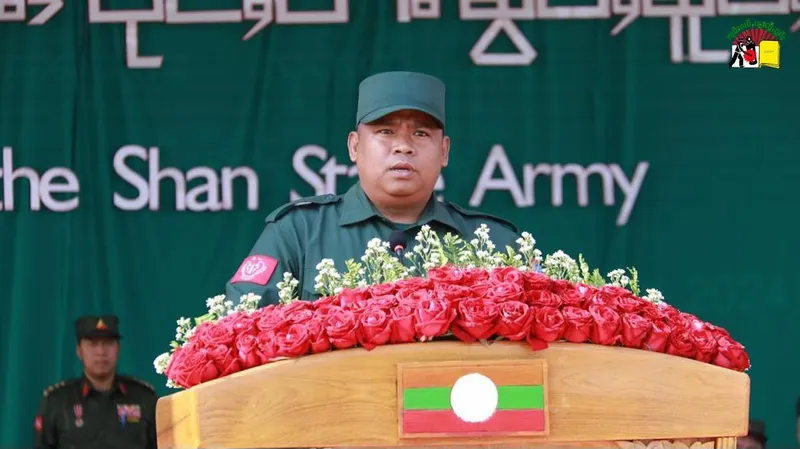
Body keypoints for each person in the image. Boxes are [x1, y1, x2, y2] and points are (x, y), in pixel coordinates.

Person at [227, 70, 523, 308]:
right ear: (354, 146)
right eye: (385, 132)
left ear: (444, 151)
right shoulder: (298, 232)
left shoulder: (494, 242)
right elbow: (238, 335)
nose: (403, 146)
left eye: (420, 133)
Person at [33, 315, 158, 449]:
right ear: (79, 351)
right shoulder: (57, 401)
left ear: (118, 349)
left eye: (108, 343)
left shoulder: (144, 397)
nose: (101, 352)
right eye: (93, 344)